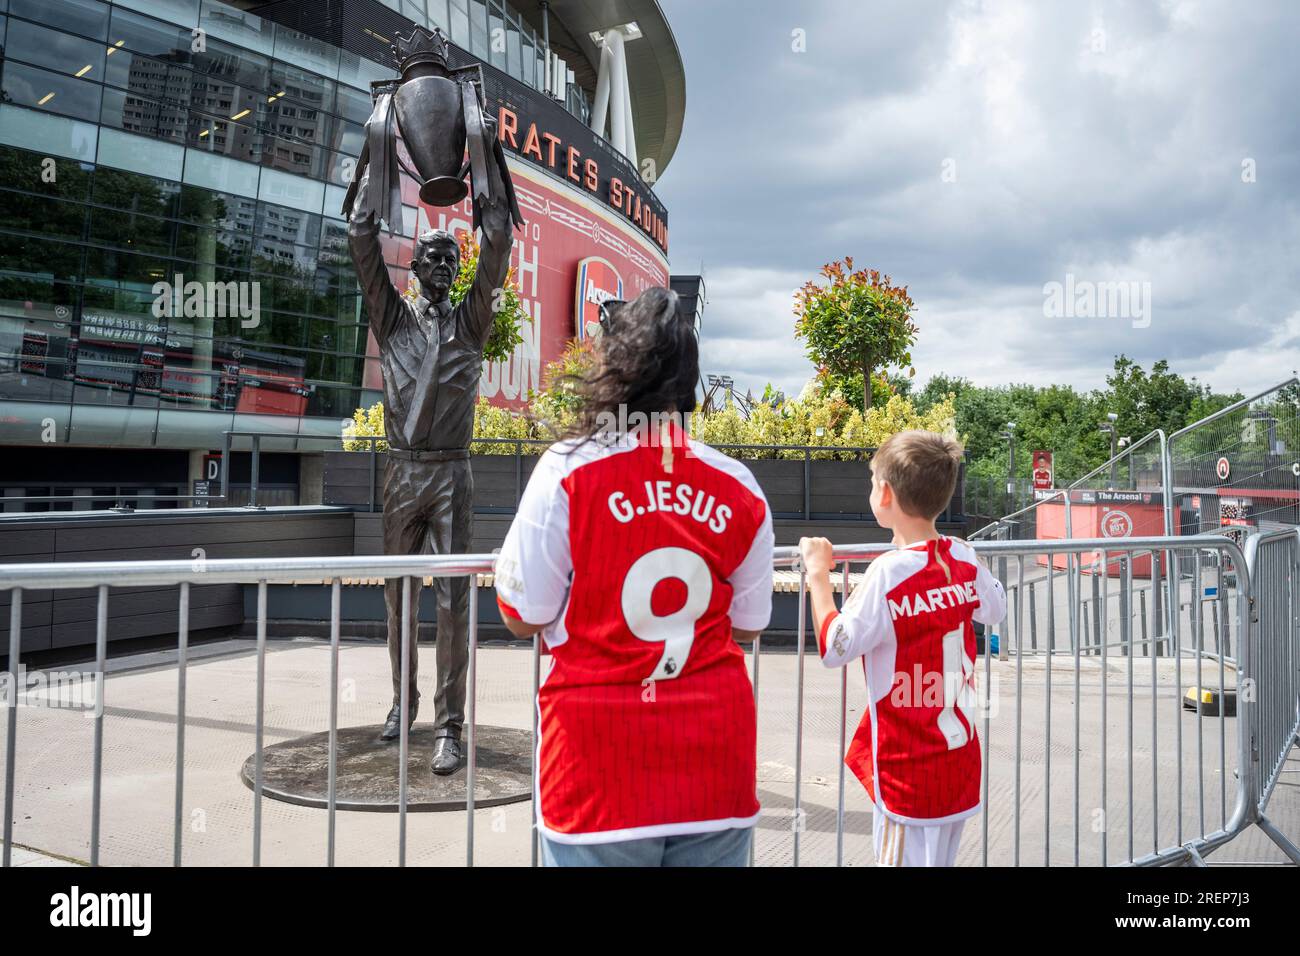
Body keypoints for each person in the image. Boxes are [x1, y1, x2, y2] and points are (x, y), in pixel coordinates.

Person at [494, 287, 774, 866]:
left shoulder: (567, 470)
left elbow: (523, 617)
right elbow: (748, 627)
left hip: (598, 774)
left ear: (614, 367)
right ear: (689, 379)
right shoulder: (740, 485)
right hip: (714, 767)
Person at [346, 122, 515, 775]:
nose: (442, 263)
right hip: (401, 475)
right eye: (432, 256)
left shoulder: (474, 321)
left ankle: (449, 724)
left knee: (450, 601)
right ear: (414, 267)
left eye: (452, 256)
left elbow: (497, 237)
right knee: (397, 595)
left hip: (451, 476)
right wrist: (378, 142)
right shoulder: (389, 318)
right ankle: (400, 705)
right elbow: (361, 235)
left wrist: (482, 149)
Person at [799, 430, 1006, 867]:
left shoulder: (888, 574)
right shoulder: (963, 558)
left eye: (872, 481)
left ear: (886, 493)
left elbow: (835, 646)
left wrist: (818, 575)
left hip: (909, 770)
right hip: (958, 762)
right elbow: (996, 610)